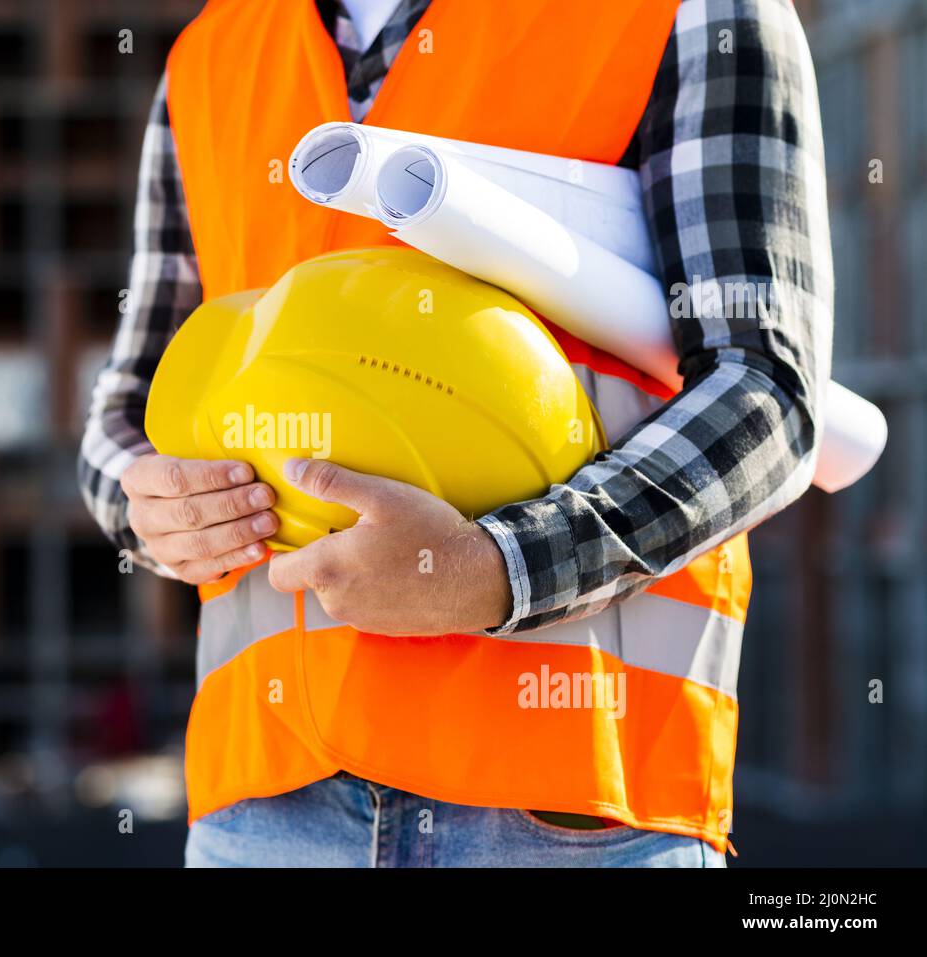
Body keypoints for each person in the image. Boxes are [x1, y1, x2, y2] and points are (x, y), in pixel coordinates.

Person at [79, 0, 832, 867]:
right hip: (269, 804)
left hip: (577, 810)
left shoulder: (686, 13)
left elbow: (766, 393)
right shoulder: (213, 55)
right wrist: (155, 510)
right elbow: (128, 412)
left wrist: (494, 567)